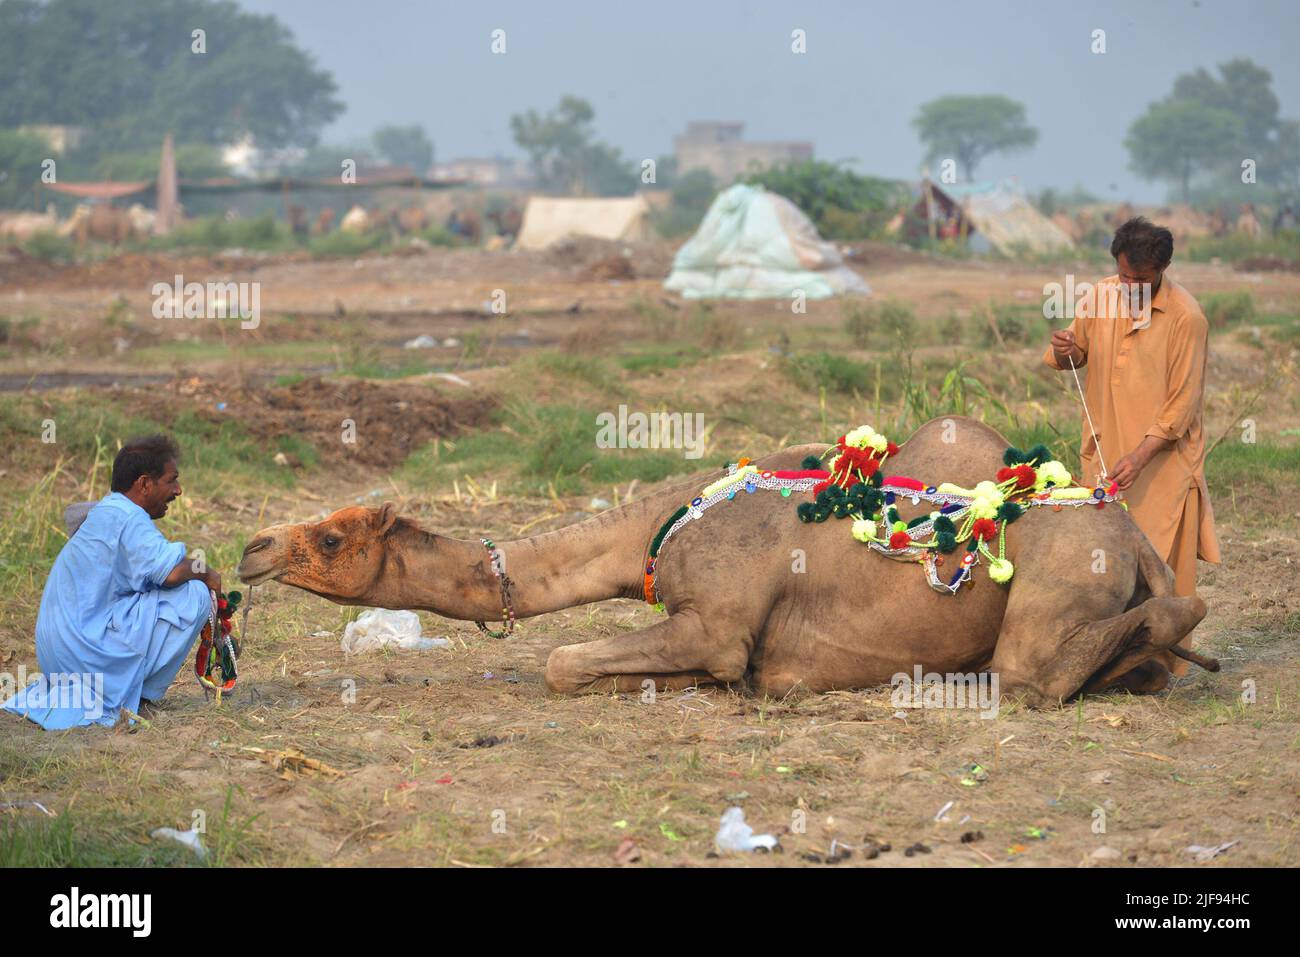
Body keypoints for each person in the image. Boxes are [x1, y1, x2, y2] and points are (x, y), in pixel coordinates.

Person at [1043, 217, 1220, 680]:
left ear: (1163, 269)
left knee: (1161, 570)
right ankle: (1105, 663)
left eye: (1140, 280)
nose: (1130, 287)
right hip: (1104, 454)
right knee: (1102, 566)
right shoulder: (1100, 296)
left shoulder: (1187, 318)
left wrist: (1140, 458)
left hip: (1162, 463)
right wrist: (1064, 349)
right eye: (1124, 277)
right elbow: (1073, 355)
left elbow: (1181, 408)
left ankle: (1160, 669)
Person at [2, 435, 221, 728]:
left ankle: (122, 690)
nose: (178, 490)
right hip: (83, 654)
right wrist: (207, 573)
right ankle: (140, 700)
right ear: (144, 484)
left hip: (57, 659)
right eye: (172, 480)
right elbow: (170, 574)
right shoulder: (128, 517)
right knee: (194, 593)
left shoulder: (107, 511)